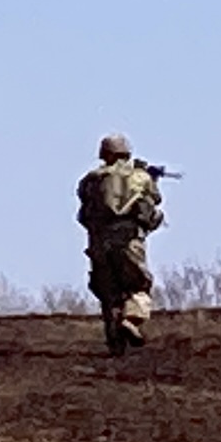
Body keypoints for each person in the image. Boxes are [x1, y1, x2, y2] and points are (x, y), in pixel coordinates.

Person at [75, 135, 164, 356]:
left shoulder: (90, 180)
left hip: (98, 242)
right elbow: (154, 198)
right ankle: (131, 319)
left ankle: (115, 344)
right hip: (128, 240)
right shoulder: (139, 177)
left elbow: (84, 206)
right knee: (138, 286)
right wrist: (150, 176)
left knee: (109, 293)